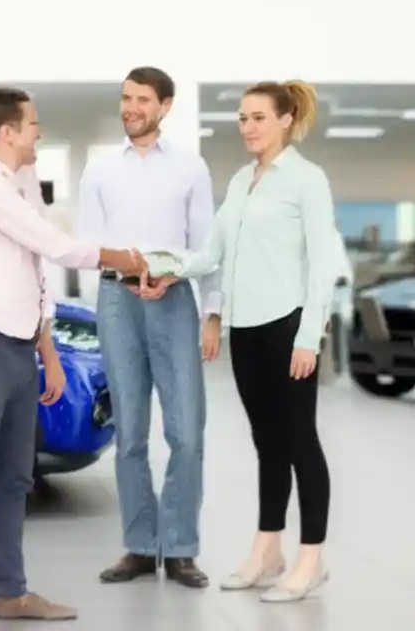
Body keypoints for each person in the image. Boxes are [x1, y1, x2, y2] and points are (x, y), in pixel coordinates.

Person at [0, 87, 147, 631]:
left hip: (19, 347)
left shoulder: (20, 181)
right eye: (32, 124)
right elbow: (53, 243)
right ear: (7, 132)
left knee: (15, 479)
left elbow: (36, 268)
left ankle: (12, 594)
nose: (39, 132)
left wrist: (47, 350)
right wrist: (118, 257)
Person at [147, 79, 337, 603]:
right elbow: (210, 255)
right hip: (246, 330)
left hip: (288, 324)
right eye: (242, 119)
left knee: (300, 441)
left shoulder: (306, 180)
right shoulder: (240, 180)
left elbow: (322, 264)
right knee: (267, 443)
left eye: (257, 117)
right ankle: (267, 549)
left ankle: (311, 559)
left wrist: (309, 337)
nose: (248, 127)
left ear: (284, 120)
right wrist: (164, 268)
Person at [76, 66, 221, 589]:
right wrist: (126, 275)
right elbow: (89, 245)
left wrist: (212, 312)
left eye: (141, 99)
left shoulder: (190, 168)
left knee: (185, 430)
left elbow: (207, 249)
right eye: (125, 98)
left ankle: (180, 547)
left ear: (165, 106)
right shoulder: (98, 170)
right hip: (117, 300)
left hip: (173, 298)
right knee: (130, 431)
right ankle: (139, 545)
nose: (130, 107)